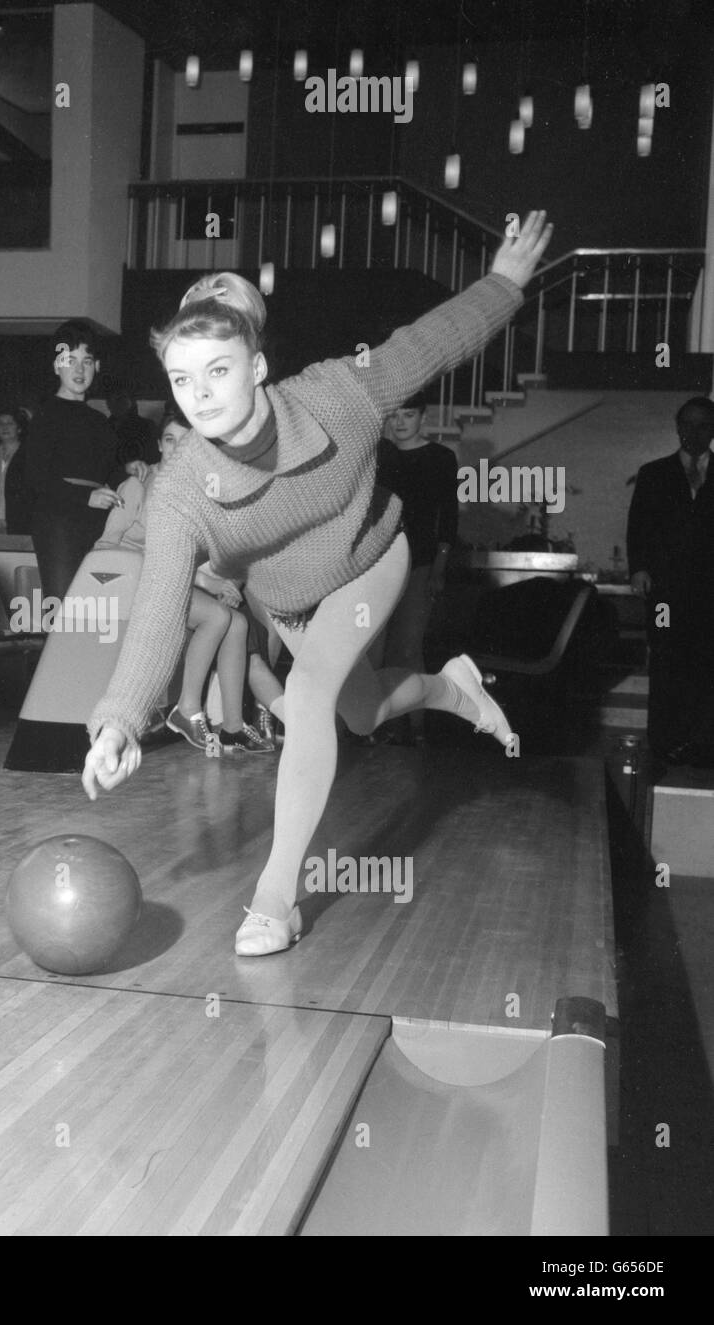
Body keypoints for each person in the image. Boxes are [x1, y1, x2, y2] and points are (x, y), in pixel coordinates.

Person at [82, 211, 553, 957]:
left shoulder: (336, 393)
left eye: (218, 371)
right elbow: (157, 610)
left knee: (307, 700)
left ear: (258, 359)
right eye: (180, 379)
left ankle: (275, 900)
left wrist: (503, 283)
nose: (198, 395)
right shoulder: (180, 490)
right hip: (291, 600)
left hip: (370, 559)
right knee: (361, 713)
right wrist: (118, 719)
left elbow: (427, 345)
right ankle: (451, 688)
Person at [95, 408, 273, 753]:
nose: (176, 449)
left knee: (236, 623)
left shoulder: (198, 493)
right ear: (160, 445)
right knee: (218, 617)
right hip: (130, 581)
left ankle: (233, 726)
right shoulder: (137, 484)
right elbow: (105, 544)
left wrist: (219, 584)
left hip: (166, 581)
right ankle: (188, 708)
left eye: (185, 442)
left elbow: (199, 555)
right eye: (169, 440)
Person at [26, 320, 145, 603]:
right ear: (56, 366)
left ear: (97, 367)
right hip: (59, 522)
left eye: (87, 361)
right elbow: (35, 479)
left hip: (96, 523)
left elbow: (104, 471)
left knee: (92, 614)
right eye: (70, 360)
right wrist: (86, 496)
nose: (79, 370)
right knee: (65, 614)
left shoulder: (100, 420)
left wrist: (126, 471)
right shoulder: (45, 415)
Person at [626, 395, 714, 765]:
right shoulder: (653, 474)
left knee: (707, 666)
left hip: (710, 594)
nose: (693, 432)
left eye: (702, 425)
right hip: (665, 593)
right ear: (678, 428)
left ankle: (704, 744)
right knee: (665, 661)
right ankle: (663, 742)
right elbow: (638, 527)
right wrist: (639, 569)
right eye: (687, 424)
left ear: (712, 430)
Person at [369, 390, 458, 743]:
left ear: (423, 416)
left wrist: (440, 565)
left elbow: (448, 515)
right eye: (394, 416)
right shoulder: (381, 456)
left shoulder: (440, 457)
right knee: (373, 649)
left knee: (407, 647)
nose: (400, 422)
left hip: (420, 563)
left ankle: (414, 730)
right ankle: (375, 725)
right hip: (378, 564)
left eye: (408, 415)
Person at [107, 389, 160, 467]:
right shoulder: (106, 427)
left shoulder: (148, 426)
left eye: (121, 400)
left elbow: (154, 457)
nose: (119, 404)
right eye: (115, 400)